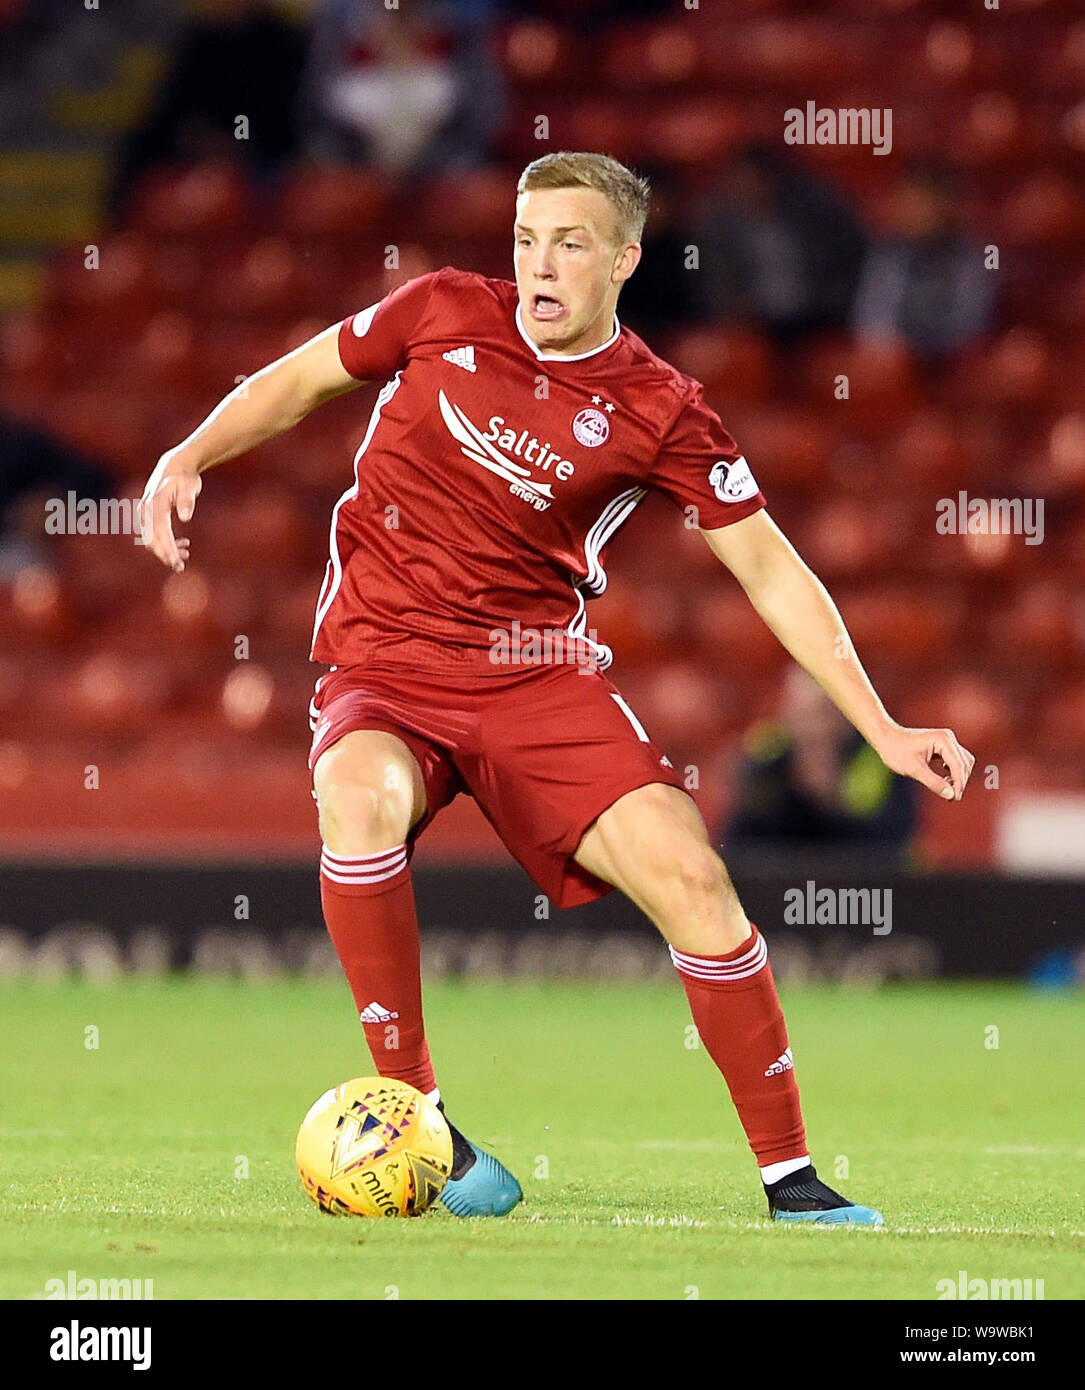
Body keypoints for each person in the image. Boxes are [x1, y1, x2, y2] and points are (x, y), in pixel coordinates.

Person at [139, 152, 974, 1224]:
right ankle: (423, 1120)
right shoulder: (438, 308)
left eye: (569, 244)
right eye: (527, 239)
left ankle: (791, 1181)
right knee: (354, 800)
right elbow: (298, 380)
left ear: (623, 259)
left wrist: (882, 727)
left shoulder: (660, 407)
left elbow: (768, 566)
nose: (538, 264)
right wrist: (189, 454)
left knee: (692, 876)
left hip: (537, 676)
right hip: (385, 662)